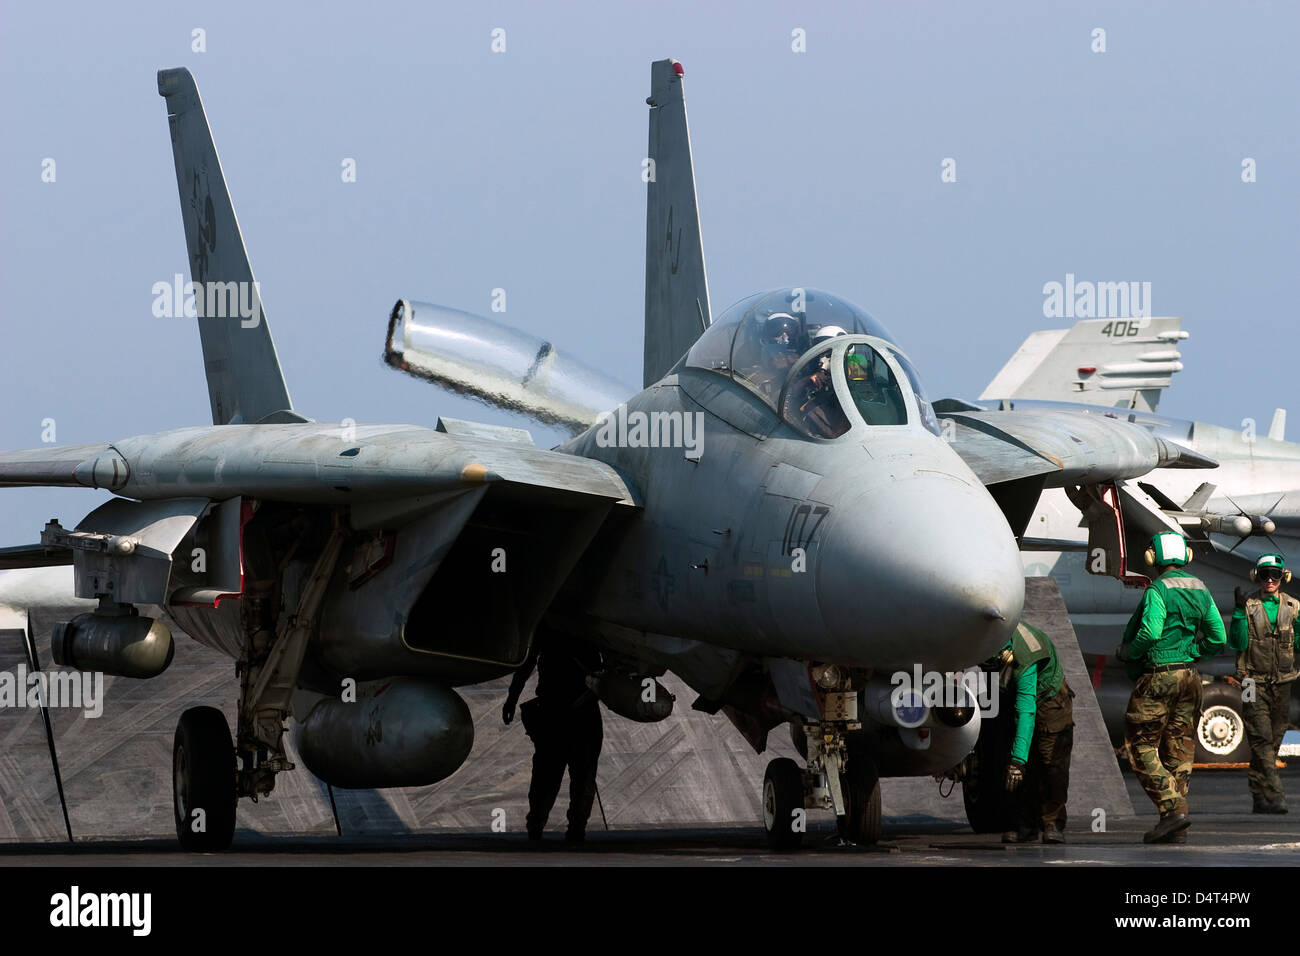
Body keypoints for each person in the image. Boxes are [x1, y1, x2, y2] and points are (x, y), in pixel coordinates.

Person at [1116, 531, 1226, 844]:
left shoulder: (1158, 590)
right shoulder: (1200, 588)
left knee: (1141, 746)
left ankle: (1172, 807)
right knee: (1178, 748)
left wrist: (1128, 652)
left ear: (1153, 558)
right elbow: (1218, 637)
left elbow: (1149, 633)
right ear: (1186, 556)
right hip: (1190, 678)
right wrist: (1192, 653)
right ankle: (1174, 823)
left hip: (1159, 676)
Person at [502, 629, 604, 844]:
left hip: (555, 711)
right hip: (580, 711)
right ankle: (574, 829)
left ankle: (538, 826)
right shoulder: (593, 626)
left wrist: (512, 699)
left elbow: (526, 665)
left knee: (547, 776)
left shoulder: (548, 626)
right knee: (581, 777)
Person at [1227, 553, 1299, 814]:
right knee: (1261, 738)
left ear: (1283, 577)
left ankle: (1259, 797)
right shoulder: (1247, 606)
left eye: (1275, 574)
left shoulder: (1294, 607)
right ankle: (1276, 794)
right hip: (1251, 683)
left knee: (1274, 739)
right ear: (1256, 576)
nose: (1269, 579)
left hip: (1283, 682)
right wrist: (1237, 614)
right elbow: (1237, 643)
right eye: (1264, 574)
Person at [997, 621, 1075, 844]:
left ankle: (1052, 823)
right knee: (1015, 756)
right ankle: (1026, 824)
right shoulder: (989, 635)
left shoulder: (1026, 654)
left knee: (1051, 762)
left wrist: (1017, 761)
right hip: (1013, 696)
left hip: (1050, 701)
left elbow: (1026, 711)